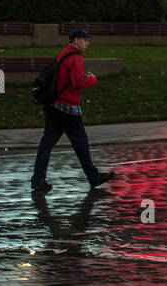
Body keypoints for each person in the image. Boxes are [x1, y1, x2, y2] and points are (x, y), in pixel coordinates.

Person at [31, 28, 113, 192]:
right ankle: (93, 177)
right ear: (75, 40)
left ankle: (38, 180)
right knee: (81, 144)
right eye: (84, 40)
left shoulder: (63, 54)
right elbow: (77, 82)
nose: (87, 43)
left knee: (46, 144)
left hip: (53, 106)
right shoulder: (76, 58)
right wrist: (93, 80)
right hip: (69, 109)